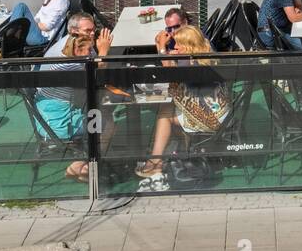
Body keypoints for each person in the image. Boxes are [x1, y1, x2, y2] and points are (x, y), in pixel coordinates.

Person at [137, 26, 231, 181]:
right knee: (169, 107)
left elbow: (170, 76)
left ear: (188, 45)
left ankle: (156, 161)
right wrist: (172, 56)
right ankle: (168, 155)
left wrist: (161, 49)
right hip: (221, 114)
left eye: (178, 44)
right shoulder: (205, 55)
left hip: (210, 119)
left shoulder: (190, 62)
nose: (175, 47)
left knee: (165, 113)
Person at [34, 13, 115, 181]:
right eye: (88, 31)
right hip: (57, 122)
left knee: (100, 110)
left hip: (62, 109)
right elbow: (96, 77)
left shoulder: (76, 44)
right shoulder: (68, 59)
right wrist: (104, 51)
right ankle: (85, 166)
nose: (92, 34)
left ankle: (87, 161)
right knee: (106, 123)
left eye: (94, 30)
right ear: (73, 31)